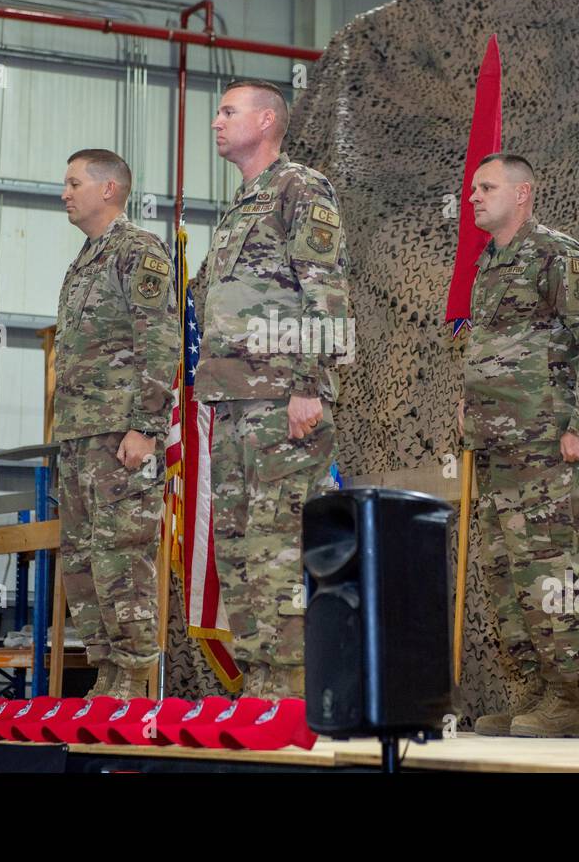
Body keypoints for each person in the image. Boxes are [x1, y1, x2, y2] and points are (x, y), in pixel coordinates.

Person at [458, 153, 579, 737]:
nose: (474, 196)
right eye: (472, 188)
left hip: (543, 453)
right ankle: (530, 696)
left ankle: (568, 703)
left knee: (547, 576)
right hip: (496, 454)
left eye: (488, 186)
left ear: (523, 193)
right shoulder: (489, 264)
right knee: (504, 581)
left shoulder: (557, 254)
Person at [197, 79, 351, 698]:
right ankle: (259, 683)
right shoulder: (240, 205)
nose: (216, 121)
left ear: (266, 122)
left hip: (281, 400)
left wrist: (309, 386)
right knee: (237, 548)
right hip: (234, 404)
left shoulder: (300, 188)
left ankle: (288, 688)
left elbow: (325, 289)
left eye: (228, 111)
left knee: (278, 545)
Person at [55, 148, 179, 699]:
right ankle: (106, 671)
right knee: (81, 561)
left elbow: (159, 342)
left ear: (108, 189)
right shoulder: (84, 259)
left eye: (74, 182)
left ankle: (132, 676)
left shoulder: (139, 252)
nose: (65, 192)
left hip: (120, 437)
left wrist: (146, 428)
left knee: (121, 556)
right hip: (79, 437)